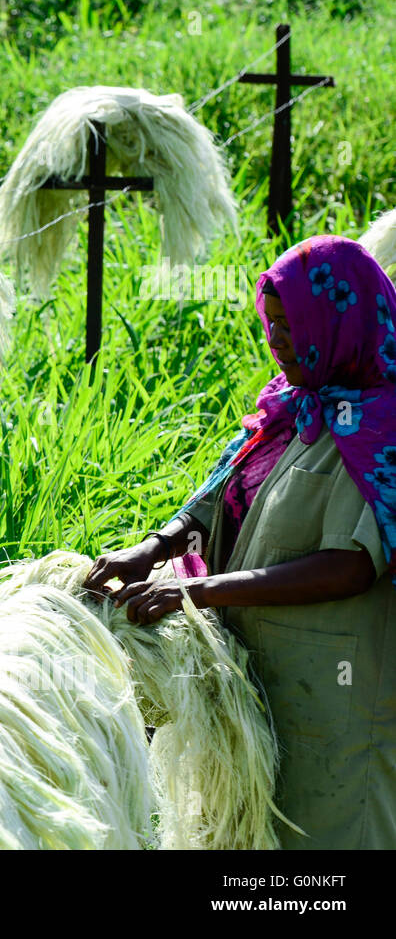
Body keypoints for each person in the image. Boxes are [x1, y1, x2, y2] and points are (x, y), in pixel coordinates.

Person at [85, 235, 396, 849]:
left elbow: (349, 568)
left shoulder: (382, 431)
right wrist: (156, 546)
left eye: (291, 325)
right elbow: (224, 492)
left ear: (339, 324)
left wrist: (198, 592)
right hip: (264, 682)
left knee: (326, 842)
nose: (275, 340)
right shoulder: (294, 409)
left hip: (337, 694)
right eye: (272, 323)